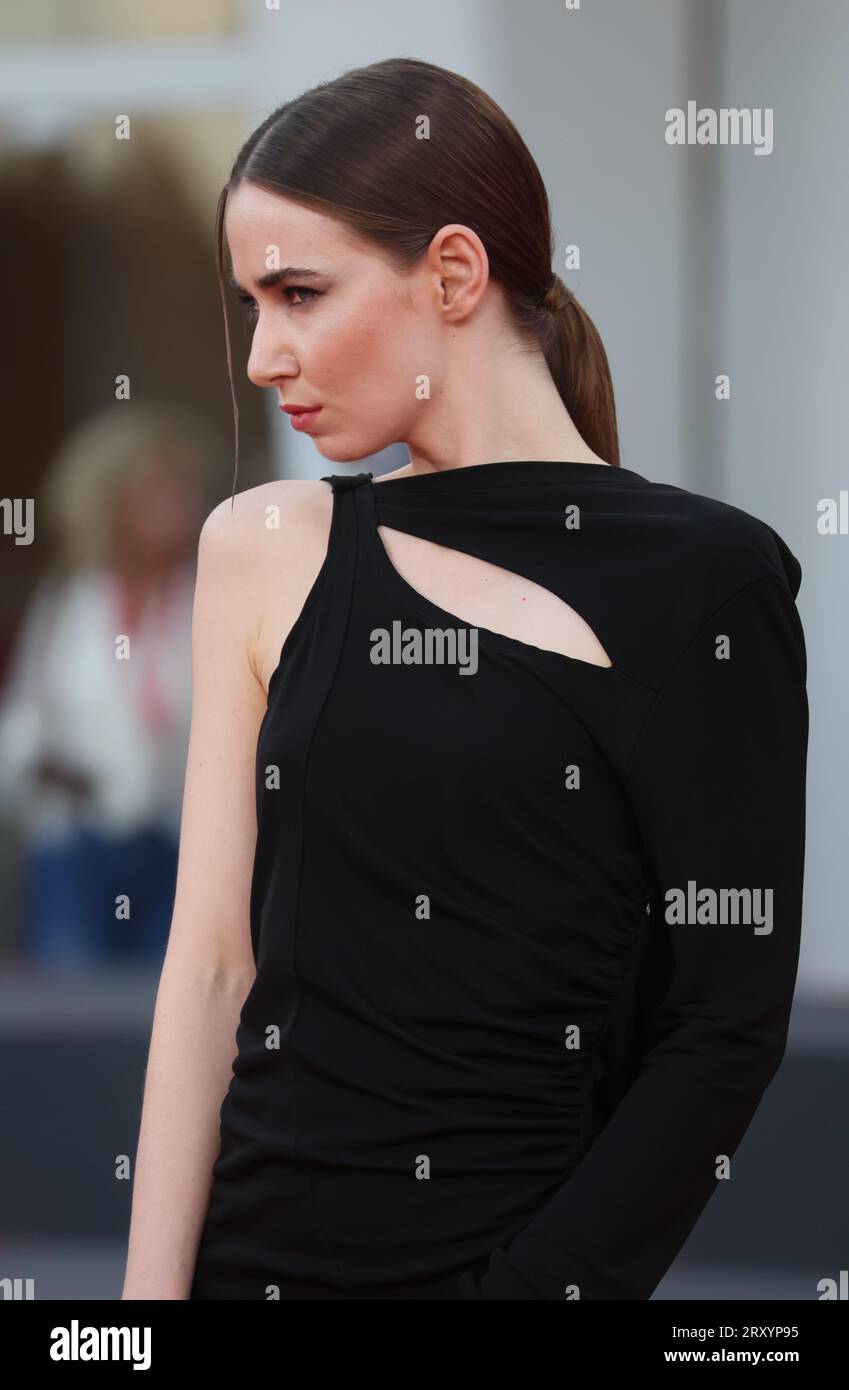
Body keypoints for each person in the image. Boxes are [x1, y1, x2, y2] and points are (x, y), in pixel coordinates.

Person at [121, 58, 808, 1300]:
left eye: (300, 293)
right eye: (250, 306)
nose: (266, 355)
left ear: (451, 272)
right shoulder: (263, 549)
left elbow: (722, 1027)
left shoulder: (708, 580)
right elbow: (213, 965)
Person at [0, 405, 217, 967]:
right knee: (76, 1023)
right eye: (157, 491)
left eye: (182, 489)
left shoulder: (211, 596)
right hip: (79, 851)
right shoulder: (71, 604)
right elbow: (22, 730)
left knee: (171, 1006)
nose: (179, 506)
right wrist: (59, 770)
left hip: (182, 849)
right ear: (110, 502)